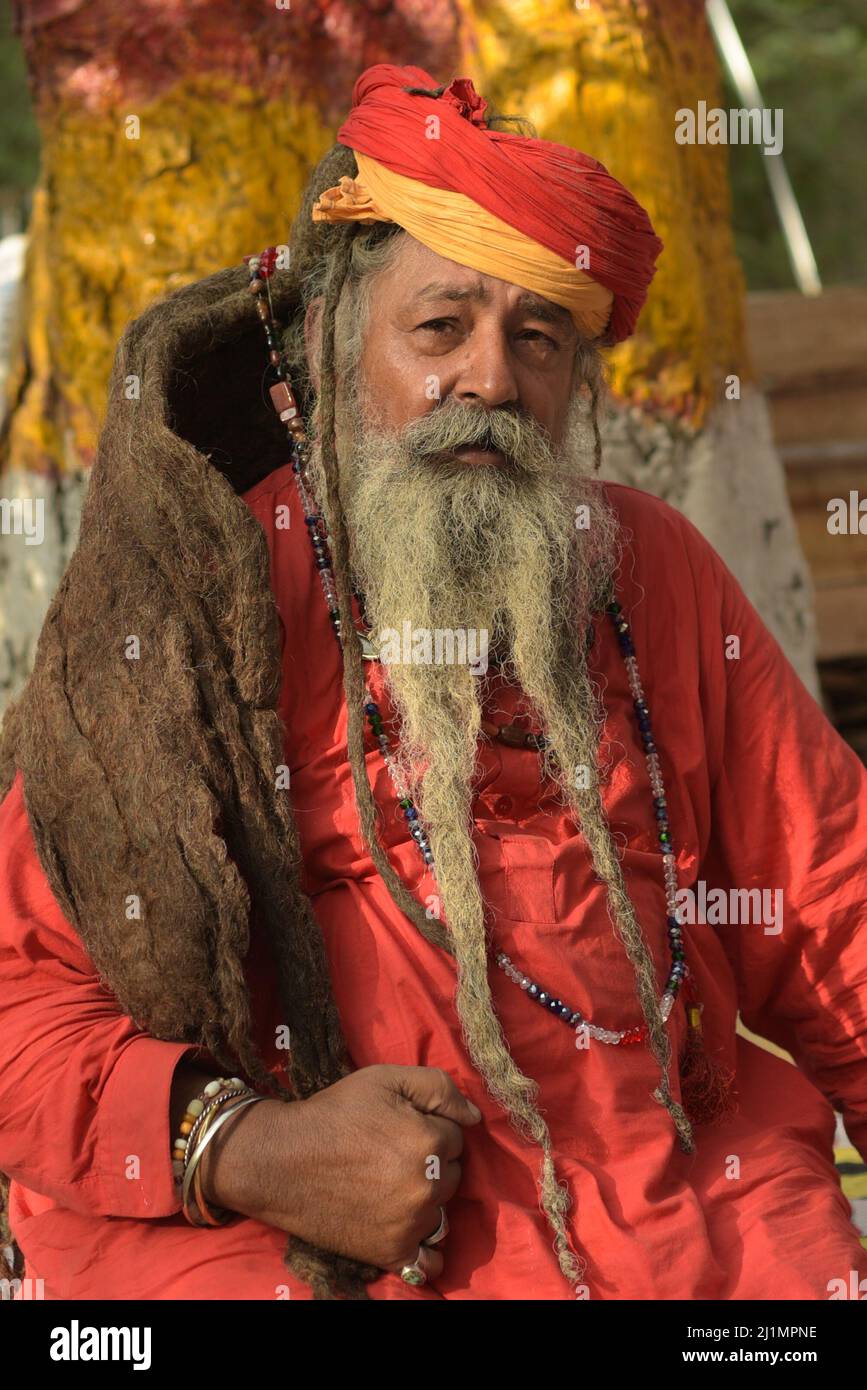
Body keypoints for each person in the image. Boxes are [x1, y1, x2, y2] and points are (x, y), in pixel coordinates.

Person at [0, 63, 865, 1302]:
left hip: (682, 1216)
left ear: (575, 385)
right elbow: (18, 996)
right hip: (305, 1250)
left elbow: (836, 902)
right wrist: (251, 1149)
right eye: (440, 327)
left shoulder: (650, 574)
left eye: (538, 337)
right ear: (337, 351)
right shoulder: (207, 598)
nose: (493, 381)